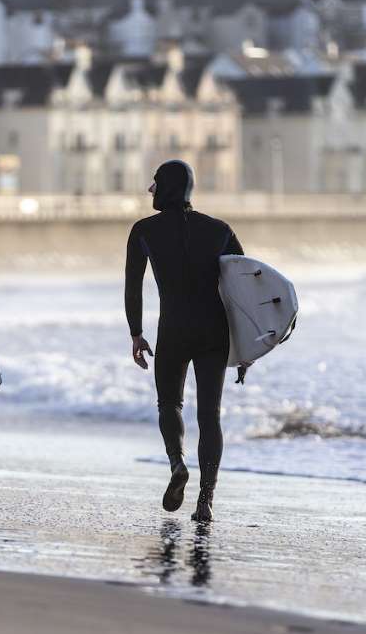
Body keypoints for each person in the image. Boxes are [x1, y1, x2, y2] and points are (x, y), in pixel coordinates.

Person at [124, 160, 243, 523]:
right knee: (210, 415)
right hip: (214, 331)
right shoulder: (219, 230)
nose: (150, 189)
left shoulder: (144, 230)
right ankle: (206, 500)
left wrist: (136, 333)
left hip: (174, 330)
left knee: (169, 404)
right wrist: (247, 347)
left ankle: (177, 464)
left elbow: (133, 286)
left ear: (169, 187)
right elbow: (246, 288)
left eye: (155, 182)